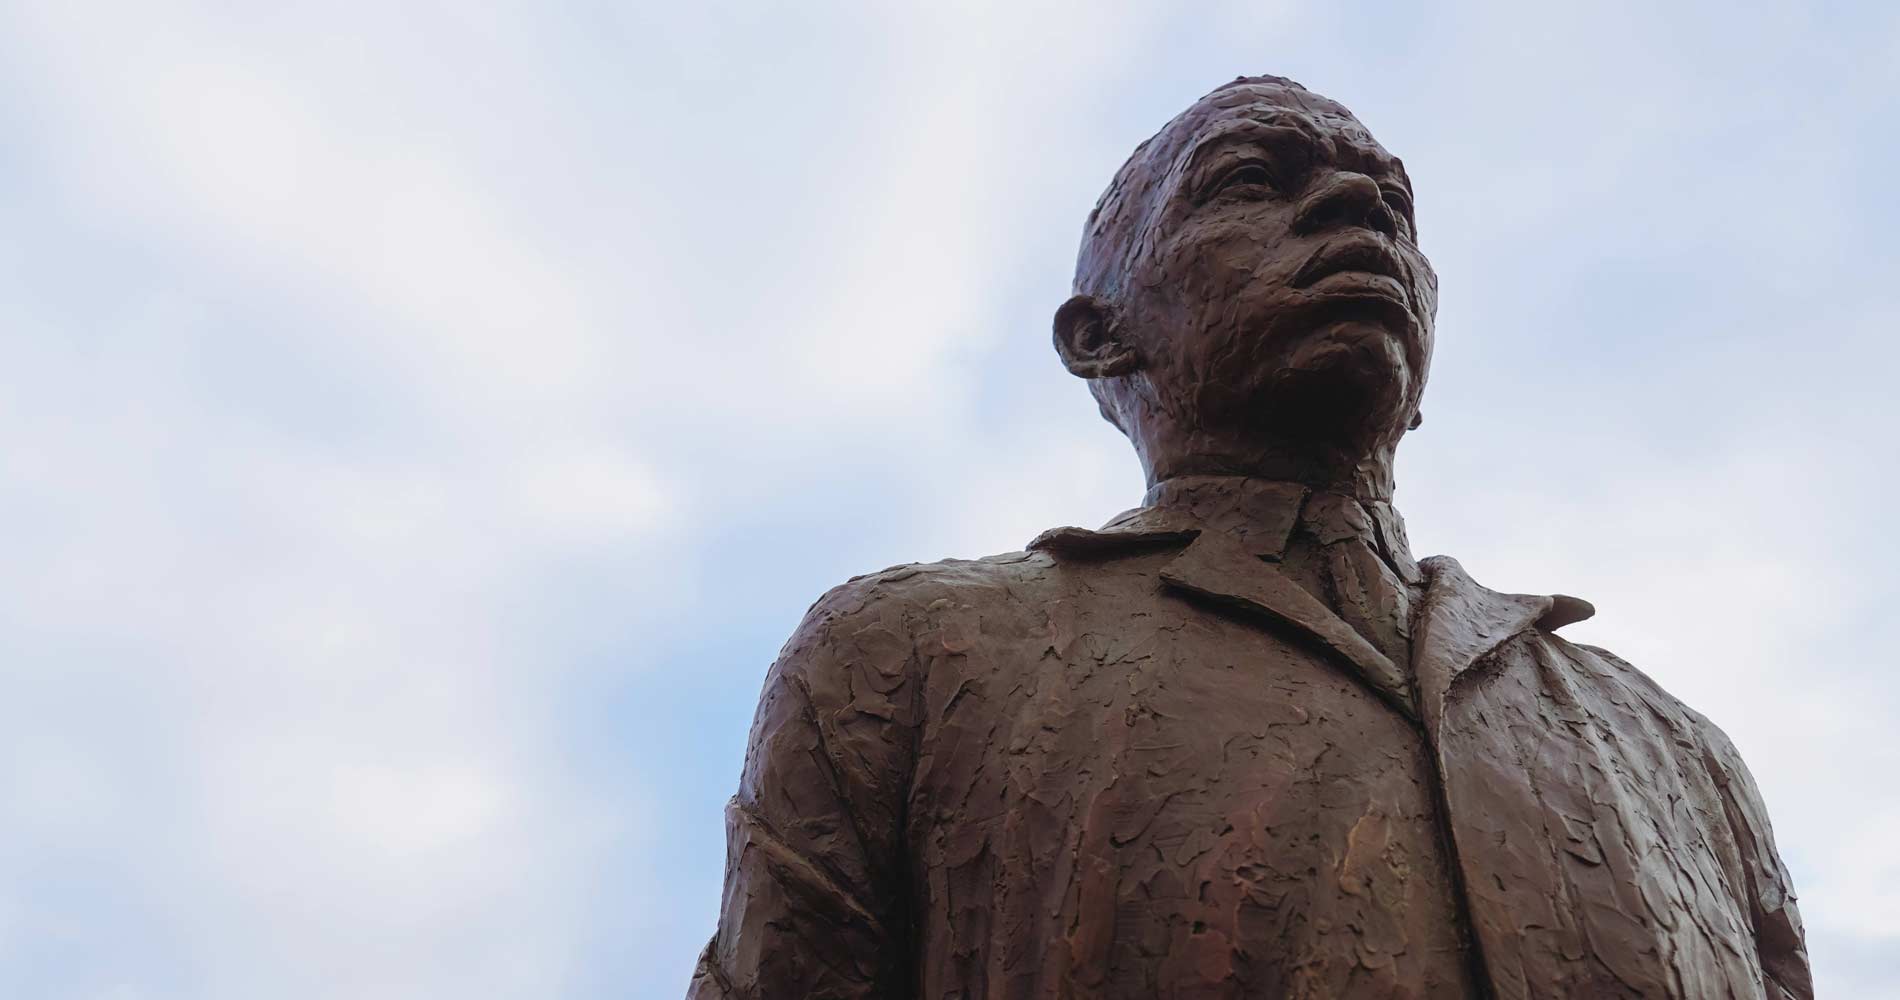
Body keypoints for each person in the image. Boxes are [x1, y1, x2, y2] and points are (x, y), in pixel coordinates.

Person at [688, 75, 1811, 999]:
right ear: (1096, 336)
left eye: (1392, 205)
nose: (1357, 207)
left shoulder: (1677, 753)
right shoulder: (903, 657)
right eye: (1251, 181)